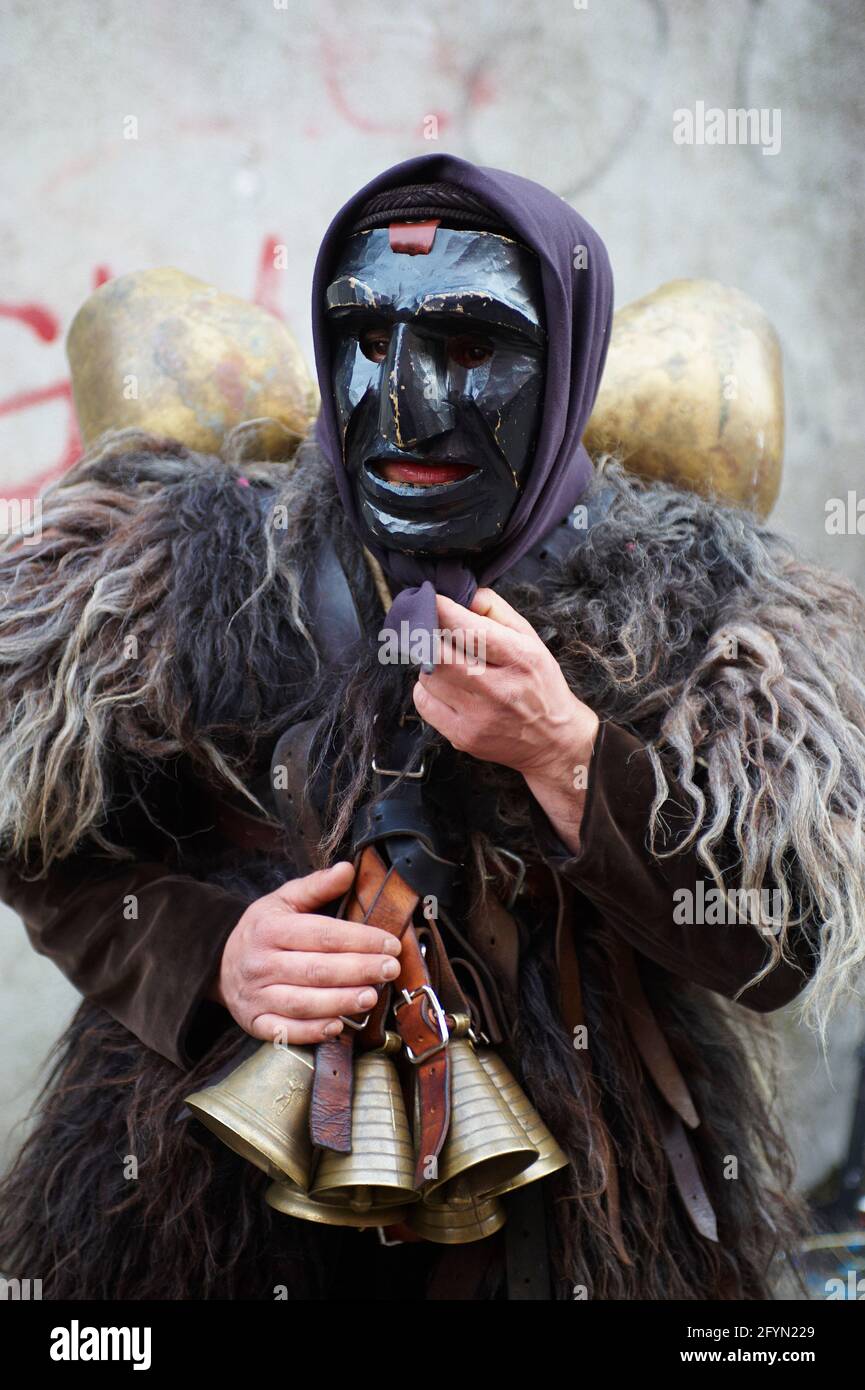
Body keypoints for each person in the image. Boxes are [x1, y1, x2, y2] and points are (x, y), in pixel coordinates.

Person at [1, 154, 864, 1301]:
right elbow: (52, 854)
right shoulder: (196, 572)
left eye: (467, 348)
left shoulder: (693, 609)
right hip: (197, 1221)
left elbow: (772, 945)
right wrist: (210, 954)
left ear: (561, 366)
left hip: (584, 1241)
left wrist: (567, 755)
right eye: (362, 338)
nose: (402, 401)